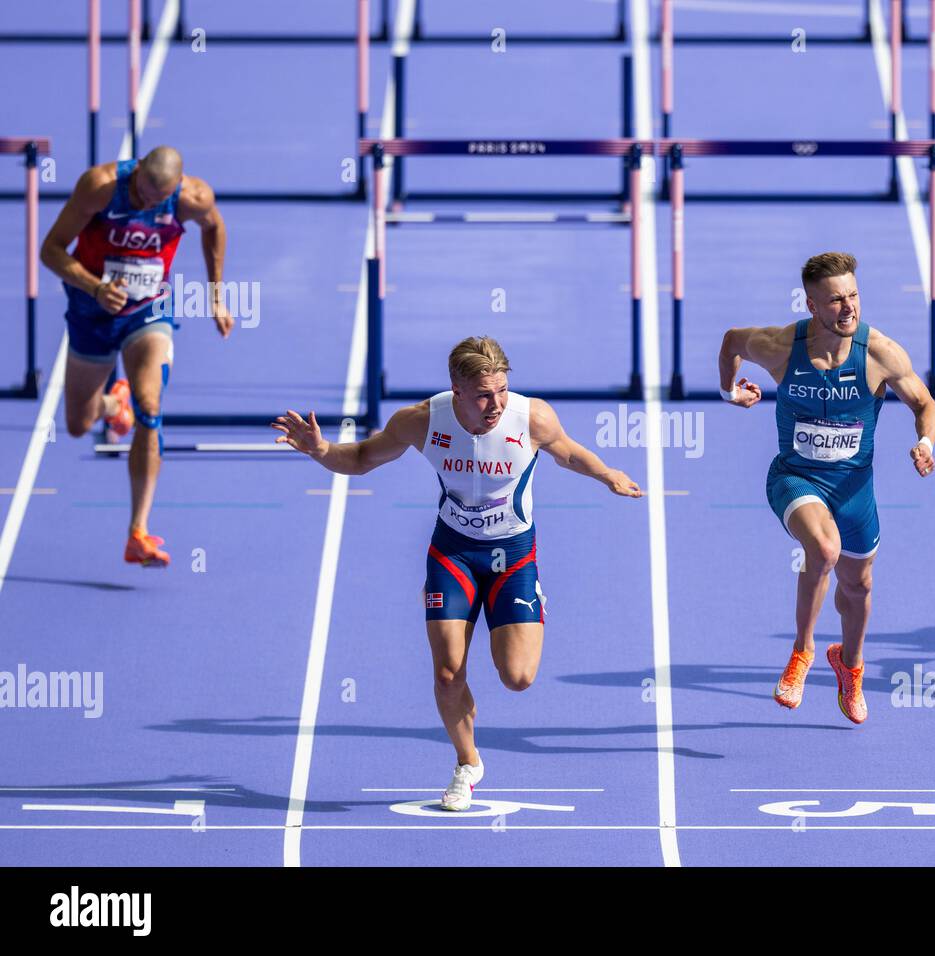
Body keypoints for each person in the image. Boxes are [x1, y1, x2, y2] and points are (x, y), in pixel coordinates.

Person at [272, 336, 642, 810]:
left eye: (503, 390)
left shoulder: (531, 417)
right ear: (457, 390)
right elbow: (364, 458)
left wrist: (607, 473)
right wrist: (321, 449)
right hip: (453, 554)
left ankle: (530, 600)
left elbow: (567, 452)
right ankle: (467, 764)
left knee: (518, 677)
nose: (496, 404)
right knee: (448, 673)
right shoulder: (422, 421)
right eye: (485, 394)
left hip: (512, 555)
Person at [717, 252, 935, 724]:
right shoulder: (781, 346)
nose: (849, 308)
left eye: (854, 295)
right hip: (795, 478)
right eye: (836, 300)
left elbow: (925, 403)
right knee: (823, 548)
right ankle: (803, 652)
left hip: (855, 489)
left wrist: (925, 441)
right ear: (812, 305)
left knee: (858, 588)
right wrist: (729, 391)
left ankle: (851, 664)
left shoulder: (879, 352)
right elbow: (732, 341)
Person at [40, 145, 232, 567]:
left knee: (151, 407)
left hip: (148, 313)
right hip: (92, 311)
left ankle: (137, 532)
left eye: (155, 199)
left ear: (175, 189)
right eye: (141, 193)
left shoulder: (192, 197)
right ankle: (112, 403)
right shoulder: (100, 187)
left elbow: (213, 227)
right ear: (137, 169)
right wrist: (94, 287)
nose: (145, 203)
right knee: (78, 423)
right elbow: (50, 249)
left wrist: (216, 294)